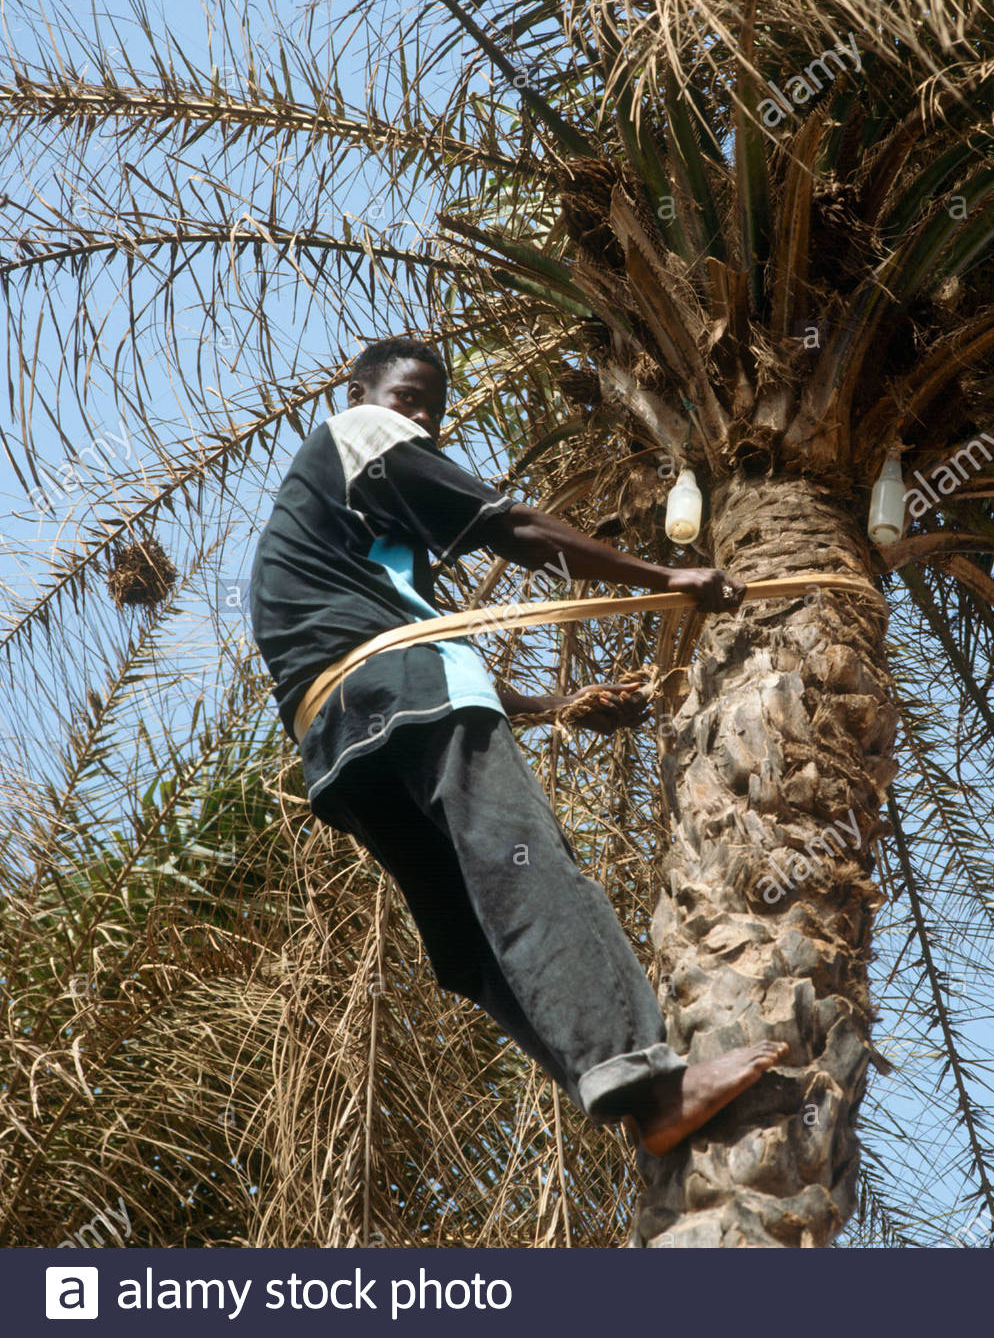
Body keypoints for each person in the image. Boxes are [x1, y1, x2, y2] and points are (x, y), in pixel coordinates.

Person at [249, 336, 787, 1157]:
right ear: (358, 391)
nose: (422, 420)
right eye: (408, 397)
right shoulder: (359, 433)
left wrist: (559, 704)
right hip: (399, 700)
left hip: (343, 750)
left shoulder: (347, 555)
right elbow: (517, 529)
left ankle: (638, 1104)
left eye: (434, 405)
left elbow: (394, 653)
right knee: (526, 869)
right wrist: (663, 577)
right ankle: (649, 1078)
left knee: (470, 929)